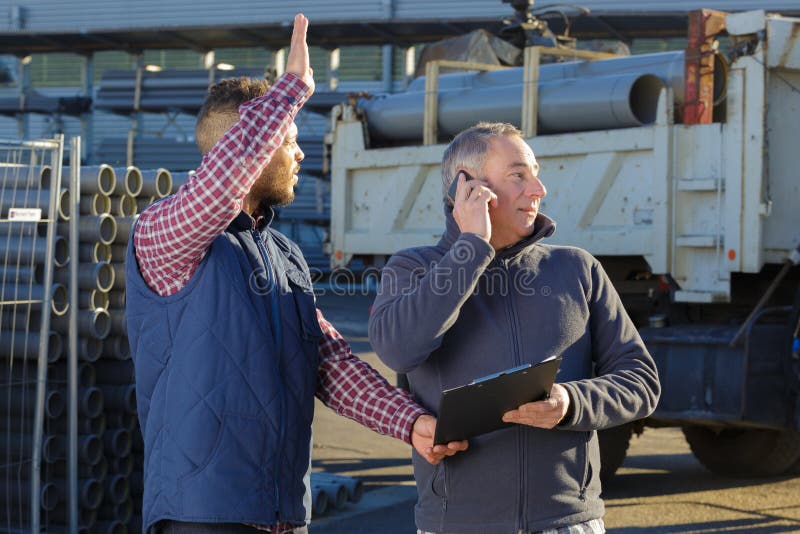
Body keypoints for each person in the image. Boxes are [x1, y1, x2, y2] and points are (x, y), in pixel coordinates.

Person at [125, 14, 466, 534]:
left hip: (283, 512)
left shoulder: (281, 253)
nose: (302, 152)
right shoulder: (164, 235)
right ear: (251, 147)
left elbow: (329, 361)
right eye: (289, 140)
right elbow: (217, 189)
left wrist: (412, 422)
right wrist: (290, 90)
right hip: (203, 514)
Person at [368, 122, 661, 534]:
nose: (538, 190)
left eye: (536, 174)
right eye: (518, 175)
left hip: (567, 522)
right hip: (457, 525)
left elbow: (641, 382)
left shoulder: (576, 269)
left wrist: (571, 402)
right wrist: (471, 249)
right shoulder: (413, 269)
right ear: (468, 187)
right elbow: (399, 349)